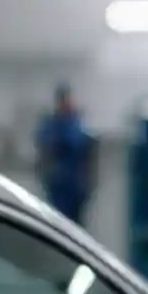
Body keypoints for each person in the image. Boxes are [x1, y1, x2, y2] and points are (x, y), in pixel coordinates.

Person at [36, 83, 98, 225]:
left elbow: (84, 148)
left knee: (76, 227)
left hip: (76, 188)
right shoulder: (52, 125)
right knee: (58, 223)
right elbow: (46, 148)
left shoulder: (76, 123)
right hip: (59, 187)